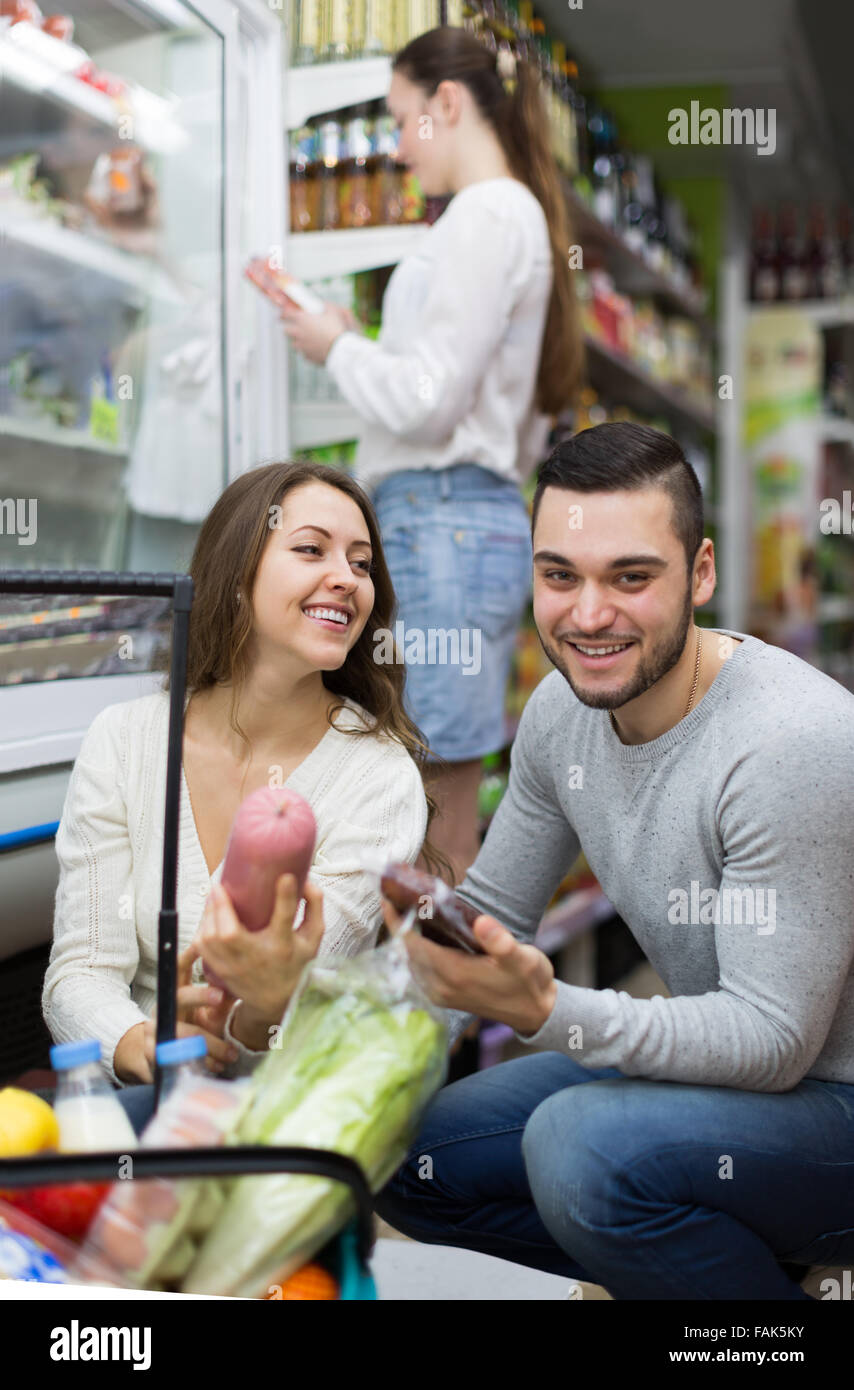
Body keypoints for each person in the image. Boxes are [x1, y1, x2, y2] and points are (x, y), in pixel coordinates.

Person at [375, 421, 854, 1301]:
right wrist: (330, 1052)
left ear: (700, 572)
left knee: (582, 1150)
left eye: (631, 577)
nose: (588, 616)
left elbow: (777, 1041)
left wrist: (549, 1008)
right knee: (403, 1149)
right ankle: (733, 1273)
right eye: (560, 576)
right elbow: (489, 916)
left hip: (835, 1098)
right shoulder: (561, 714)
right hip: (739, 1085)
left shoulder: (791, 740)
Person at [281, 26, 582, 883]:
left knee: (428, 806)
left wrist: (335, 346)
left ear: (446, 104)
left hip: (441, 520)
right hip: (460, 520)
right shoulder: (507, 214)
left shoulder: (489, 214)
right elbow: (499, 415)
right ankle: (429, 1006)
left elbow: (427, 398)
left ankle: (427, 1009)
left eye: (402, 119)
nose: (399, 148)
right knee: (431, 793)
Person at [43, 462, 437, 1115]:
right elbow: (78, 975)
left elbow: (298, 1009)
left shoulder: (379, 774)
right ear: (236, 573)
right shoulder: (126, 739)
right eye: (311, 550)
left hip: (287, 1105)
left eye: (363, 564)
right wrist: (142, 1041)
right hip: (134, 1090)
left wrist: (256, 1013)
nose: (346, 578)